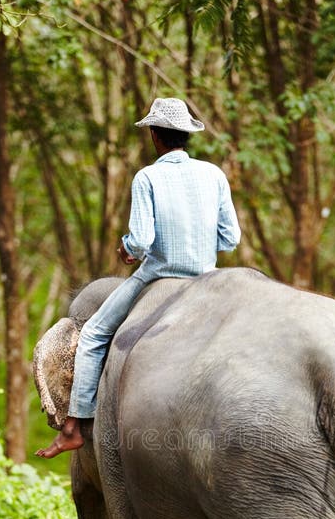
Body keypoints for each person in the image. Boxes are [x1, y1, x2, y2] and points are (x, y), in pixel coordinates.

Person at [36, 97, 241, 458]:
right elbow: (231, 238)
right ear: (186, 136)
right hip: (207, 279)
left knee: (94, 334)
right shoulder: (214, 175)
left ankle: (73, 427)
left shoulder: (148, 177)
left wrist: (127, 249)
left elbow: (142, 242)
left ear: (155, 136)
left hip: (158, 277)